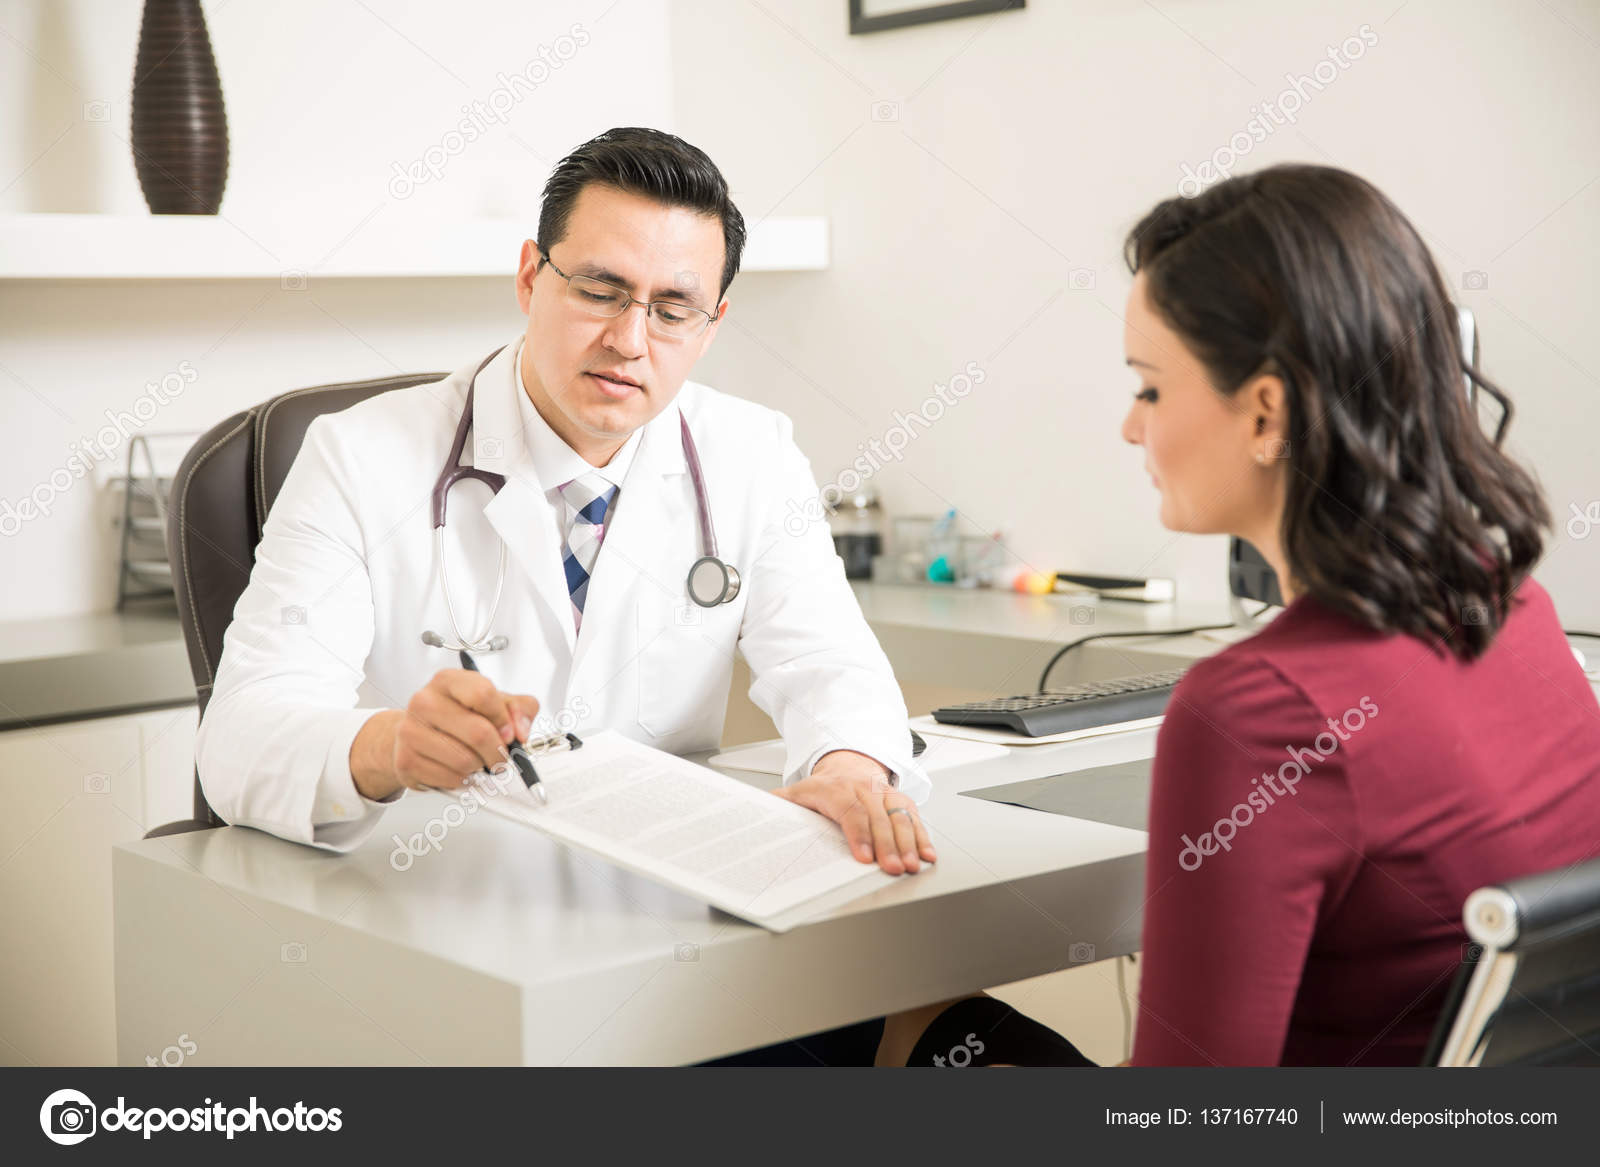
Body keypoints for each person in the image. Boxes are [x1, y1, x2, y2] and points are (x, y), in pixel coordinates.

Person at [882, 164, 1600, 1068]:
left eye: (1148, 387)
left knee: (919, 1028)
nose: (1131, 429)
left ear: (1266, 412)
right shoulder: (1518, 610)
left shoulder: (1257, 712)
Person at [196, 126, 936, 889]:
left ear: (711, 326)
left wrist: (849, 768)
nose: (629, 339)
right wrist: (389, 747)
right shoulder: (360, 457)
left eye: (674, 308)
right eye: (598, 290)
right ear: (529, 278)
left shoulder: (754, 454)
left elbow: (831, 665)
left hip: (668, 904)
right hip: (435, 903)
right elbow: (239, 741)